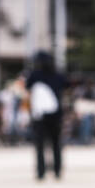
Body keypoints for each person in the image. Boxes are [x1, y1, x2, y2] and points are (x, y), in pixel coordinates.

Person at [27, 50, 66, 180]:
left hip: (40, 115)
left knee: (40, 144)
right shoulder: (58, 75)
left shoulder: (34, 75)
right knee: (56, 143)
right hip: (56, 115)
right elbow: (65, 86)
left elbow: (28, 87)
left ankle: (41, 171)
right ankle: (57, 170)